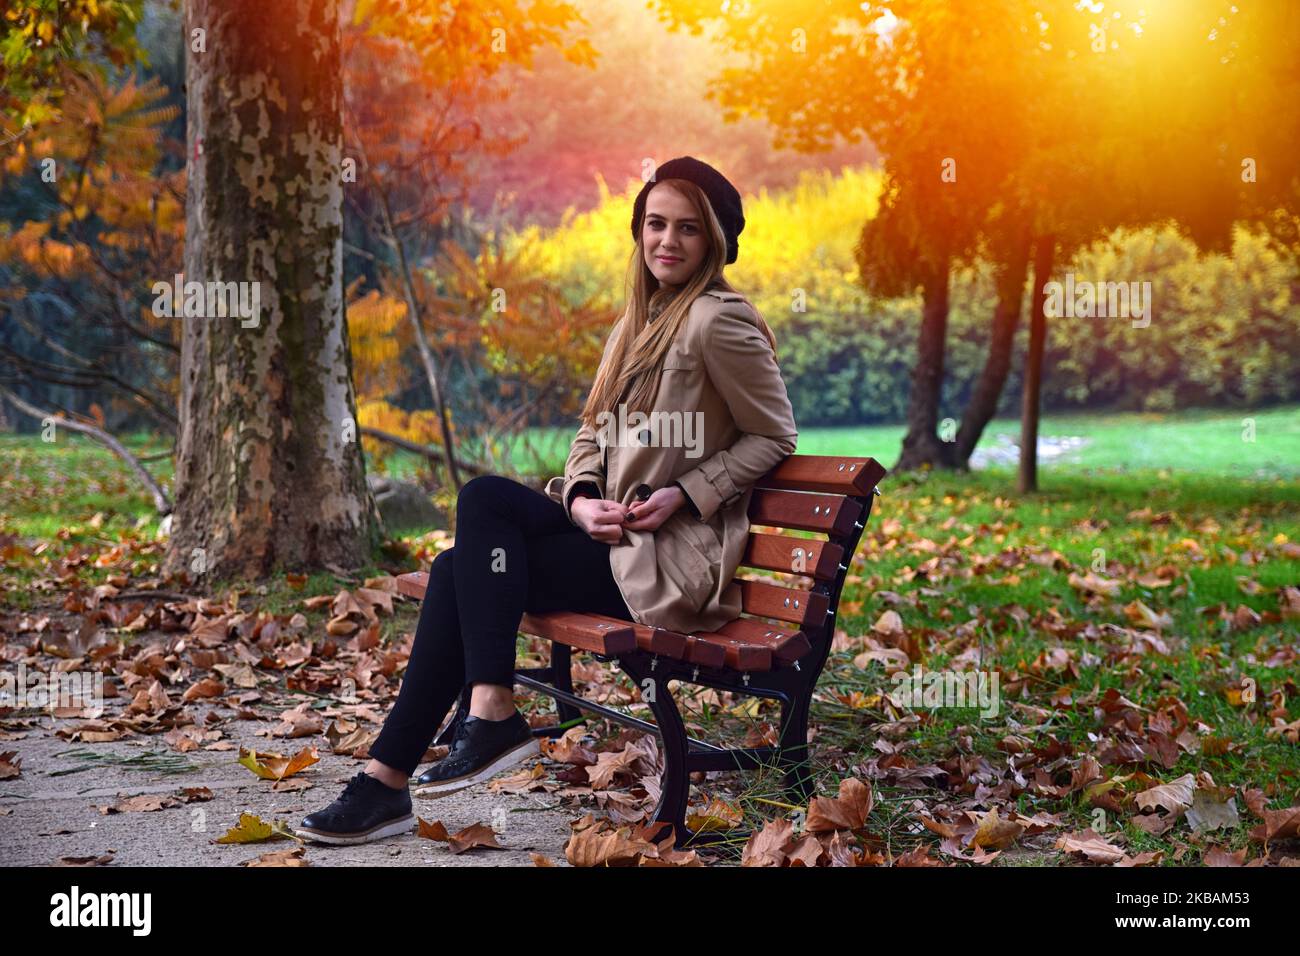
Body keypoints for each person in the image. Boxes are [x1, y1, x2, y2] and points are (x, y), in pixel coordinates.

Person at [295, 156, 797, 845]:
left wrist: (686, 492)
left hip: (663, 562)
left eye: (687, 229)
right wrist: (583, 497)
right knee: (471, 532)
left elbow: (775, 434)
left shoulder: (719, 322)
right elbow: (592, 429)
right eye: (654, 224)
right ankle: (407, 768)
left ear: (714, 242)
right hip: (611, 537)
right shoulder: (637, 324)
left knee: (463, 549)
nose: (667, 241)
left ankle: (453, 739)